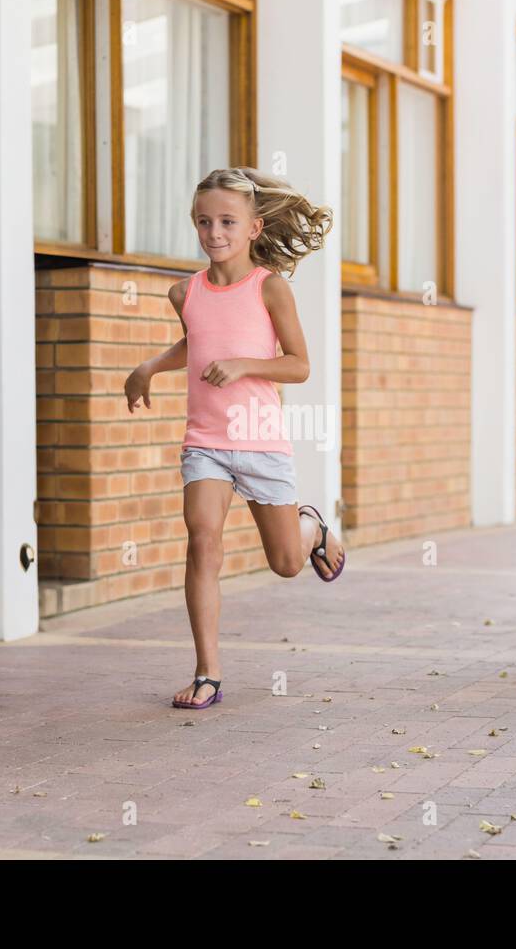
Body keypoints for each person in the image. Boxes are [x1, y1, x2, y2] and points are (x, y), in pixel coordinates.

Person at [123, 166, 346, 710]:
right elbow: (195, 344)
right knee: (202, 540)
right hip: (205, 441)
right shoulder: (186, 291)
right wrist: (150, 366)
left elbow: (299, 366)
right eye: (203, 222)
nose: (213, 232)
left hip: (260, 440)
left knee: (286, 563)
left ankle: (311, 528)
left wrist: (244, 365)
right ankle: (208, 673)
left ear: (254, 227)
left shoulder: (270, 288)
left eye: (226, 221)